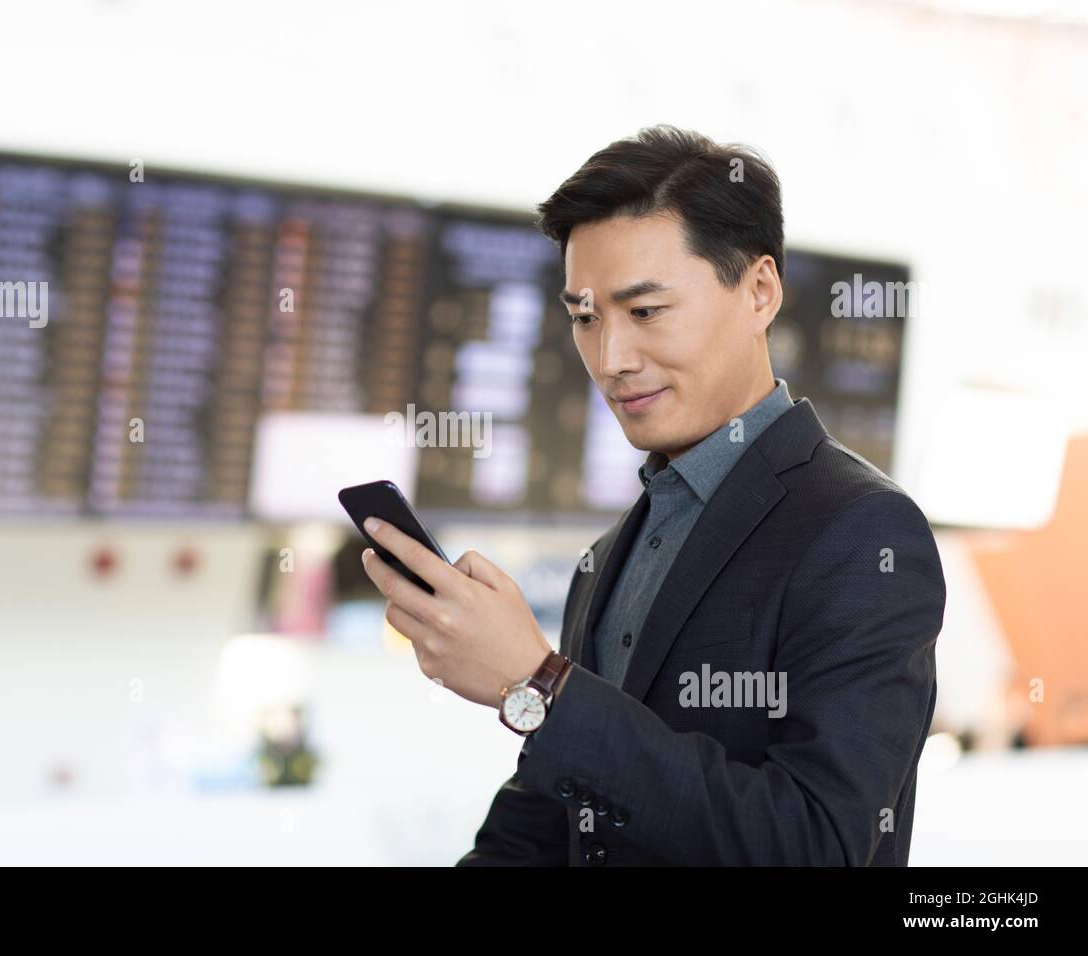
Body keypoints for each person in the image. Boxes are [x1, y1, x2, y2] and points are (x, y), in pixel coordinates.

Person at [358, 125, 945, 866]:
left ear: (759, 291)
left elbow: (817, 845)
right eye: (584, 317)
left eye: (646, 311)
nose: (611, 358)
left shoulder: (863, 531)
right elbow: (547, 827)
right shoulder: (608, 558)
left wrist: (537, 682)